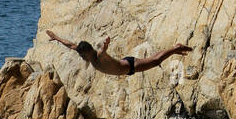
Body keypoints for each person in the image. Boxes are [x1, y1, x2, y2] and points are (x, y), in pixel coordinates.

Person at [47, 30, 192, 78]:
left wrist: (106, 45)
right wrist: (56, 38)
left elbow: (104, 52)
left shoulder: (98, 56)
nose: (81, 57)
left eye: (82, 55)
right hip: (125, 65)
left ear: (88, 52)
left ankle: (175, 49)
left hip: (130, 66)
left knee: (155, 61)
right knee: (153, 59)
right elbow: (71, 45)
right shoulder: (89, 55)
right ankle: (174, 49)